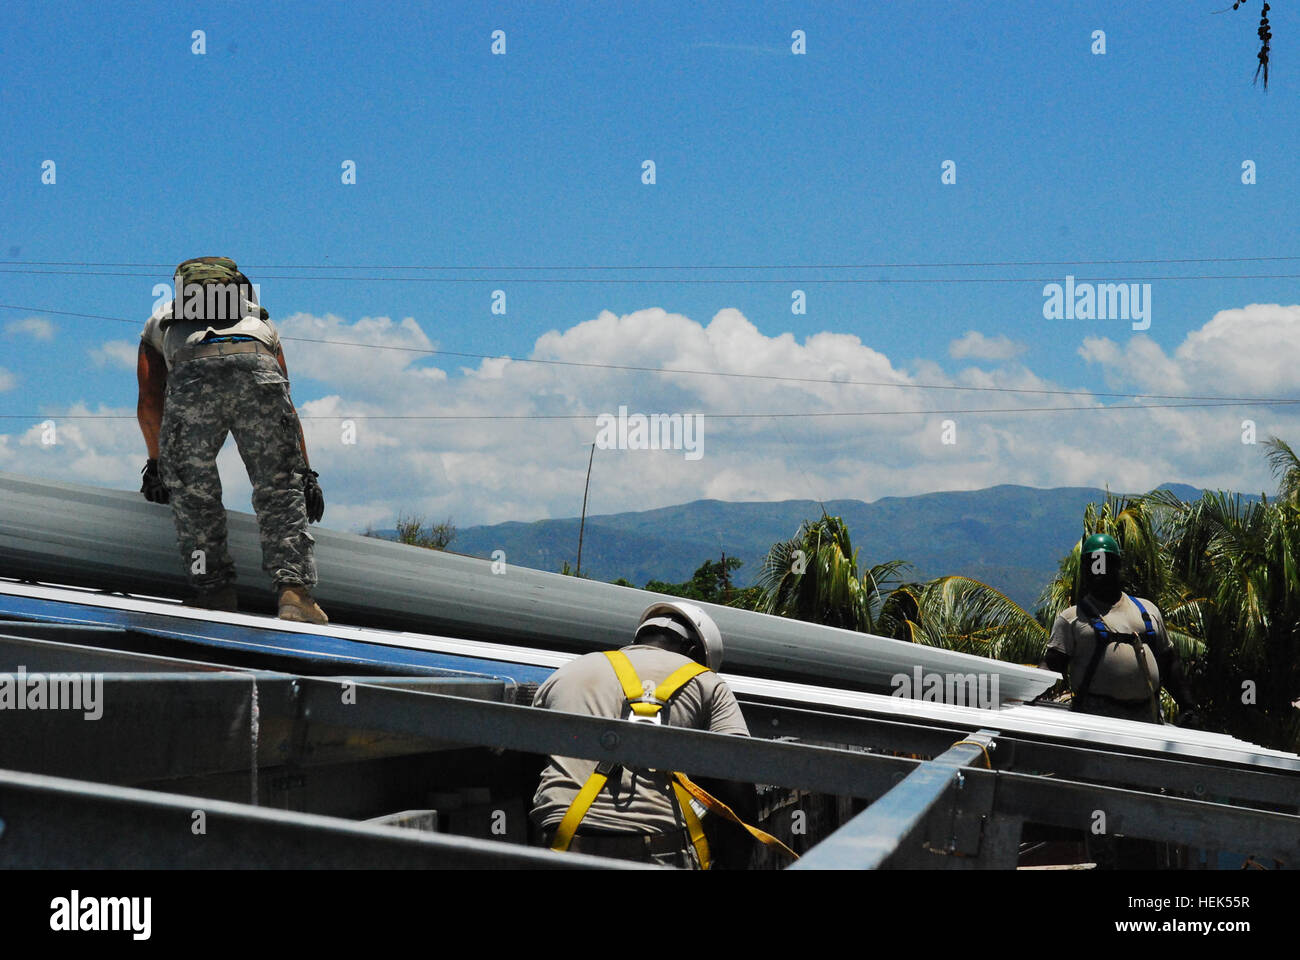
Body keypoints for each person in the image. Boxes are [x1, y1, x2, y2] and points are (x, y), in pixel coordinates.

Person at [136, 256, 328, 624]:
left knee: (195, 493)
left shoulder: (161, 319)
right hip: (257, 364)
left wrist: (159, 464)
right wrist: (303, 471)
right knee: (278, 489)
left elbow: (149, 402)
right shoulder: (259, 320)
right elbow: (287, 399)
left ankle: (215, 593)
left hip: (192, 371)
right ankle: (295, 597)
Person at [530, 600, 761, 868]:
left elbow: (533, 764)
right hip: (653, 852)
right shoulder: (707, 681)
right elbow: (738, 787)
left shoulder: (568, 672)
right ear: (694, 651)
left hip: (560, 845)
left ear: (637, 639)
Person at [1041, 533, 1196, 724]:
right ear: (1084, 569)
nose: (1099, 570)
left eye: (1105, 563)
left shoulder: (1148, 611)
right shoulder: (1071, 619)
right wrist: (1024, 695)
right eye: (1093, 564)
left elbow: (1169, 663)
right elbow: (1051, 666)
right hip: (1095, 717)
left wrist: (1187, 706)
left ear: (1117, 566)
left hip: (1148, 715)